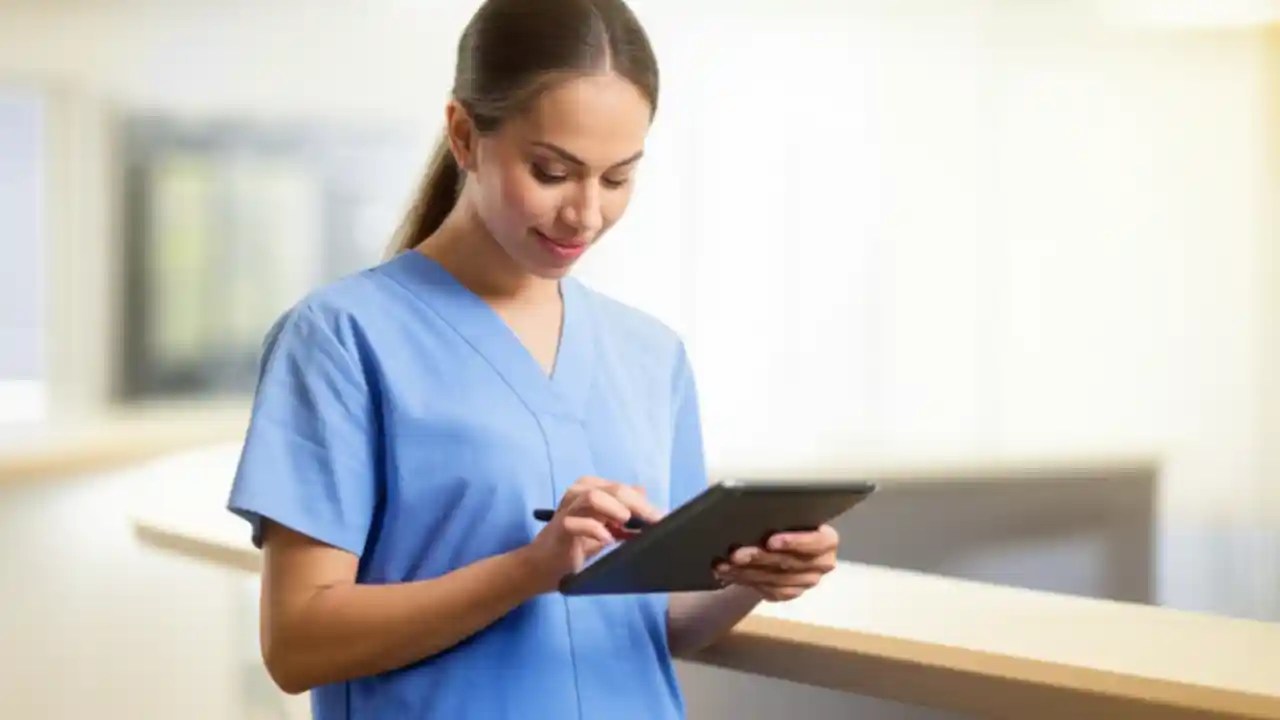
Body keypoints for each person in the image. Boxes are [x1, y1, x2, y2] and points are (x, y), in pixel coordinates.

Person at [226, 0, 840, 717]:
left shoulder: (650, 357)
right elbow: (299, 644)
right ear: (464, 134)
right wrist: (530, 569)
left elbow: (657, 624)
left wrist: (754, 579)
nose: (585, 214)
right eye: (552, 171)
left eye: (617, 179)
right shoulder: (340, 339)